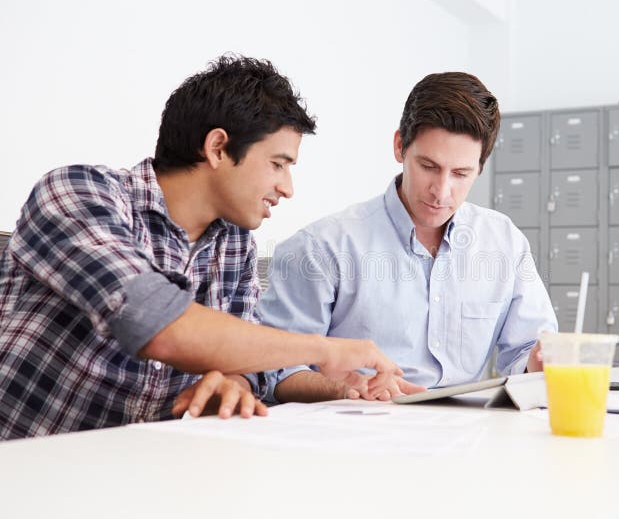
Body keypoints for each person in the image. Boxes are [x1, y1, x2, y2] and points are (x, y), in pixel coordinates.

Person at [0, 55, 401, 440]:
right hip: (27, 461)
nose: (287, 188)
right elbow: (158, 325)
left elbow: (248, 357)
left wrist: (232, 382)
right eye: (278, 164)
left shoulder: (235, 244)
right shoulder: (78, 193)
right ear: (218, 148)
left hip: (141, 469)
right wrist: (324, 350)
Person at [259, 72, 557, 403]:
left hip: (468, 435)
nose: (441, 191)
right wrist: (347, 390)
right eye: (429, 166)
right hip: (361, 428)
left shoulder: (504, 242)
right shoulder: (322, 247)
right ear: (400, 146)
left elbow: (526, 354)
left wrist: (536, 361)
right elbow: (273, 372)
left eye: (460, 174)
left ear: (480, 168)